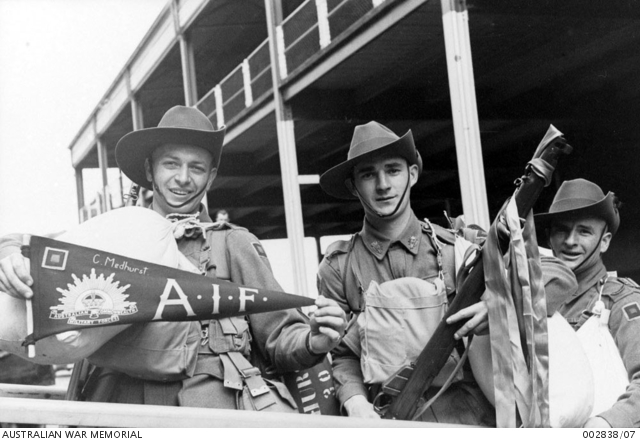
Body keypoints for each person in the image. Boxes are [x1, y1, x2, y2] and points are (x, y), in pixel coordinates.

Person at [0, 105, 346, 410]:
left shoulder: (234, 244)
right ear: (150, 171)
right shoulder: (115, 234)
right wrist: (9, 254)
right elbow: (38, 248)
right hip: (119, 408)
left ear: (210, 176)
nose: (183, 178)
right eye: (171, 164)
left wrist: (314, 340)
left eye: (196, 167)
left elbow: (279, 340)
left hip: (206, 412)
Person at [316, 121, 493, 424]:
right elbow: (343, 354)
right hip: (388, 418)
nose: (383, 184)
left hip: (467, 417)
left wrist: (498, 305)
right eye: (368, 174)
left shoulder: (457, 248)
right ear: (353, 186)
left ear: (411, 175)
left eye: (393, 170)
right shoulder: (338, 267)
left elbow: (549, 273)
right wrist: (356, 403)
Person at [535, 178, 640, 428]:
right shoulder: (536, 302)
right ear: (549, 237)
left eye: (584, 231)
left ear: (604, 241)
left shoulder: (621, 300)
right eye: (562, 230)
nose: (570, 241)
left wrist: (608, 424)